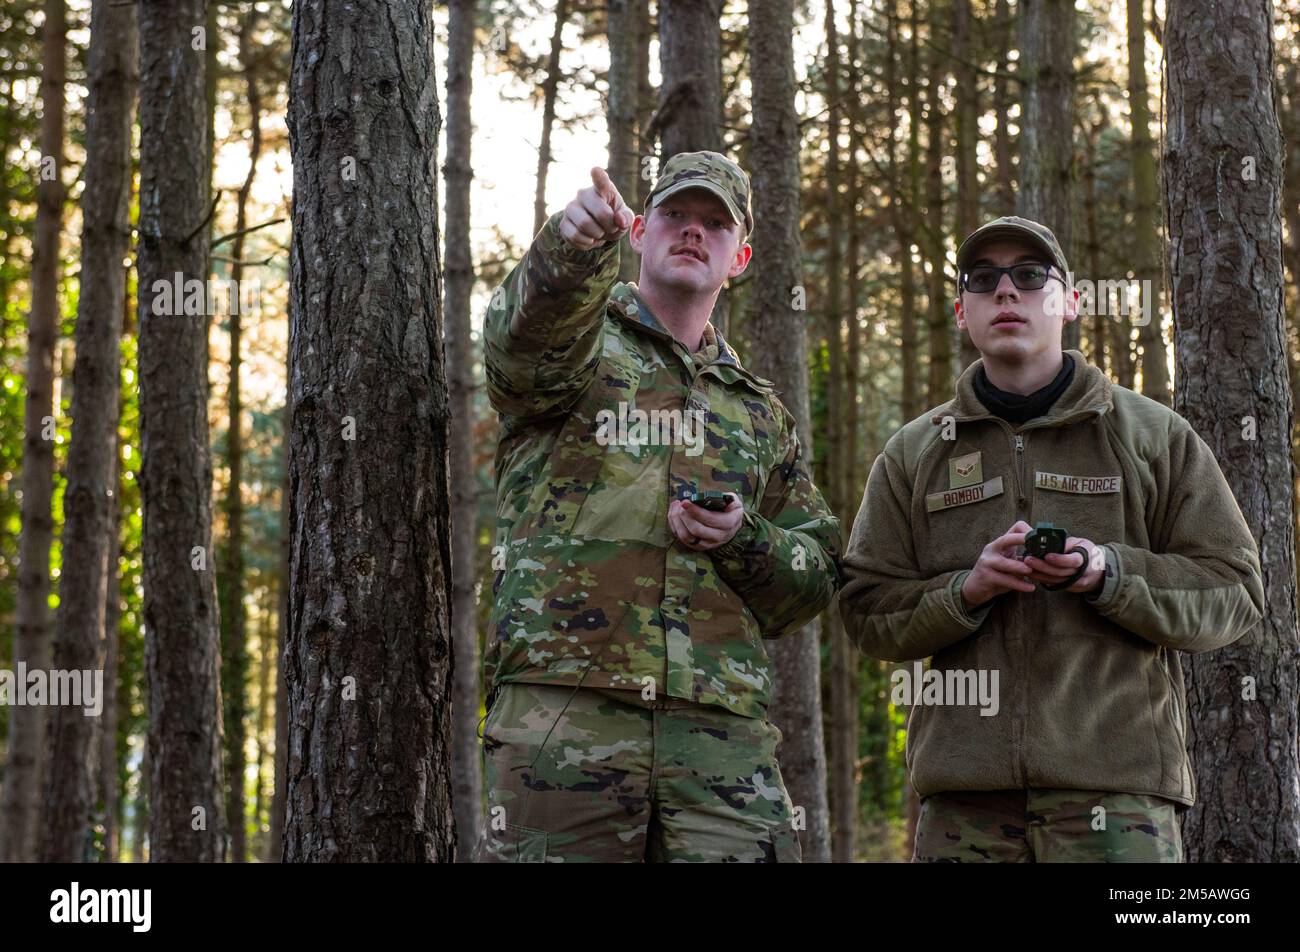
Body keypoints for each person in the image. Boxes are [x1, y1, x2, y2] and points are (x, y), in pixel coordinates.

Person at [838, 215, 1264, 862]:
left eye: (1030, 276)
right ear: (962, 311)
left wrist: (1107, 574)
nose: (1006, 292)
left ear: (1070, 302)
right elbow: (866, 609)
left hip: (1118, 804)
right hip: (963, 808)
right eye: (984, 280)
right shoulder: (915, 453)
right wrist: (966, 591)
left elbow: (1234, 590)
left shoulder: (1153, 436)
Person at [476, 151, 841, 862]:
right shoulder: (579, 343)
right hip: (565, 711)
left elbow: (816, 574)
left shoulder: (759, 412)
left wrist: (745, 536)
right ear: (640, 231)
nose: (693, 232)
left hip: (720, 736)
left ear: (740, 257)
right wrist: (569, 250)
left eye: (715, 223)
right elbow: (517, 357)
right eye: (676, 215)